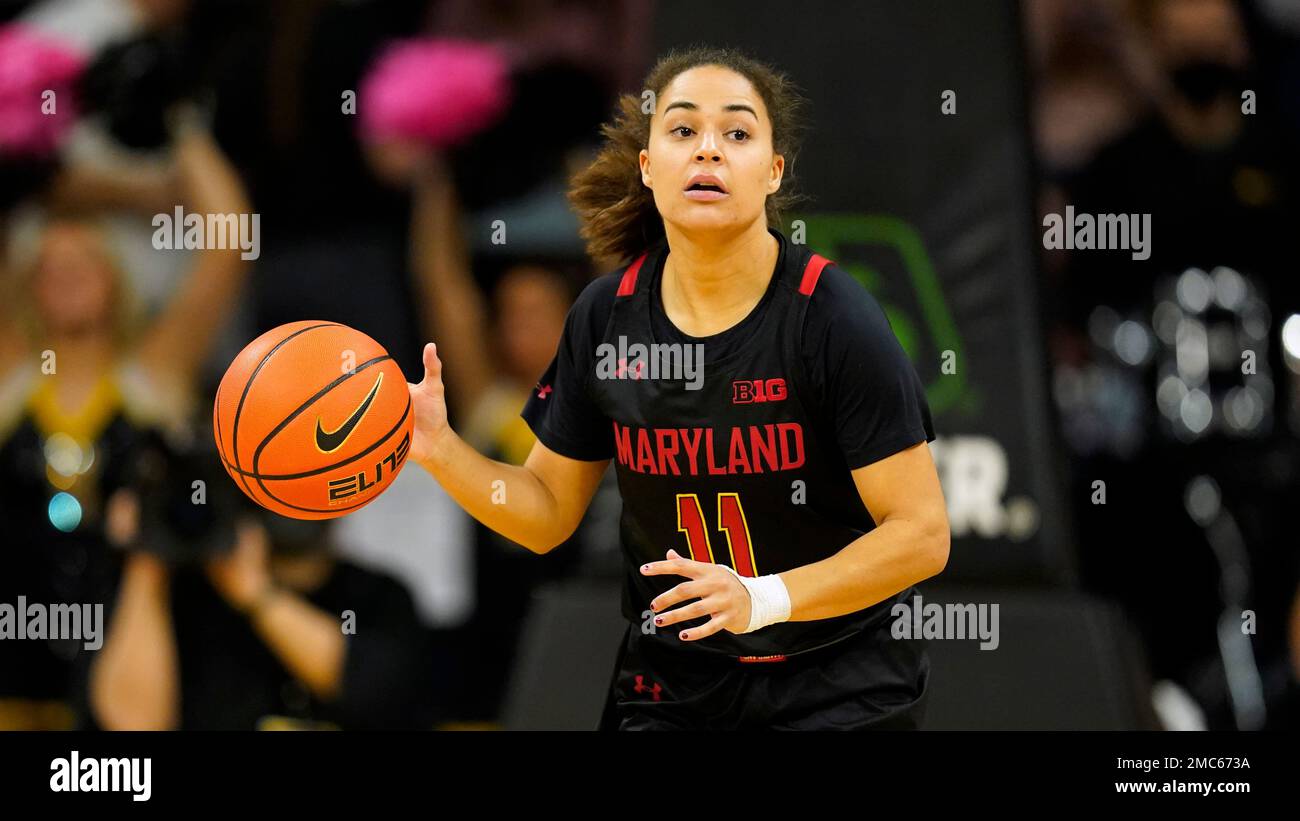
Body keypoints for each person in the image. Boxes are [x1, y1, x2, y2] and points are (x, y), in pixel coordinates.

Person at [407, 46, 949, 730]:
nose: (709, 151)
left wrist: (762, 598)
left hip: (836, 679)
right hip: (676, 683)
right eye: (684, 129)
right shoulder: (607, 318)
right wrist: (438, 449)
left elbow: (923, 534)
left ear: (774, 171)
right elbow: (545, 512)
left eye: (739, 133)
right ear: (648, 165)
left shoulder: (830, 314)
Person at [0, 120, 250, 729]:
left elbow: (227, 240)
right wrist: (22, 150)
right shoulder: (9, 373)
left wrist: (178, 119)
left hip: (133, 666)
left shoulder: (154, 372)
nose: (67, 277)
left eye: (85, 262)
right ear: (27, 285)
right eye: (50, 267)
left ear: (117, 277)